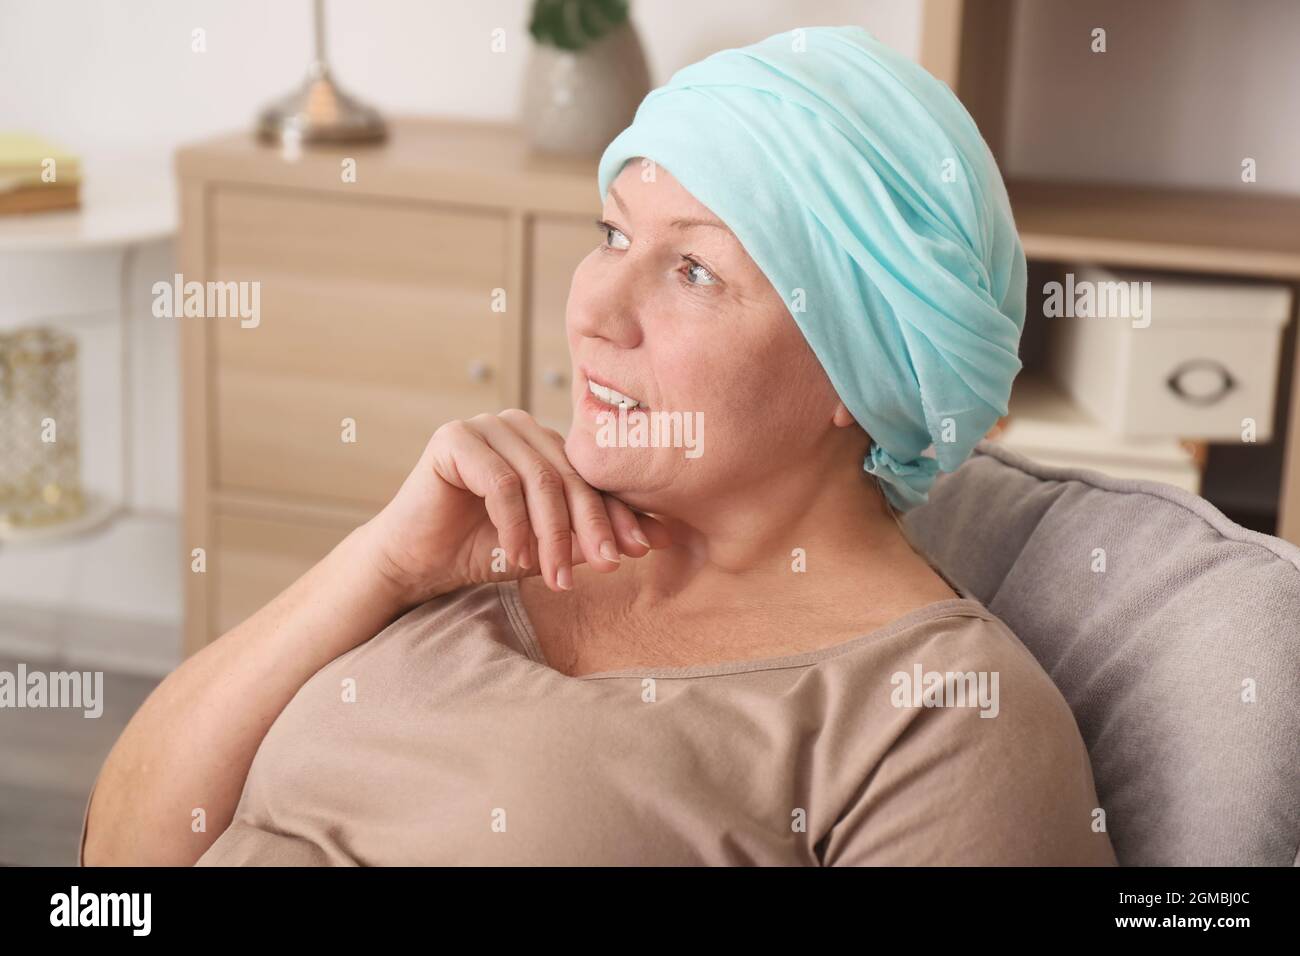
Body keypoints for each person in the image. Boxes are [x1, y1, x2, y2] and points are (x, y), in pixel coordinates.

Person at [81, 26, 1116, 866]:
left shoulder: (940, 721)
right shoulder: (482, 535)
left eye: (694, 271)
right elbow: (117, 860)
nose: (594, 311)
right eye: (614, 234)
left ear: (863, 368)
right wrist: (381, 562)